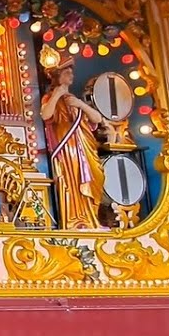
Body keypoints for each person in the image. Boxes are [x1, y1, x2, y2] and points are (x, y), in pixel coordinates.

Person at [39, 48, 115, 229]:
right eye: (67, 72)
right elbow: (45, 114)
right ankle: (75, 220)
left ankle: (91, 219)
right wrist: (57, 94)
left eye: (71, 72)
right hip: (68, 148)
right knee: (72, 180)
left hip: (84, 144)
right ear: (58, 76)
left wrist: (80, 104)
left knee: (95, 175)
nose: (71, 76)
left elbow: (96, 119)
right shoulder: (50, 98)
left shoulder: (74, 99)